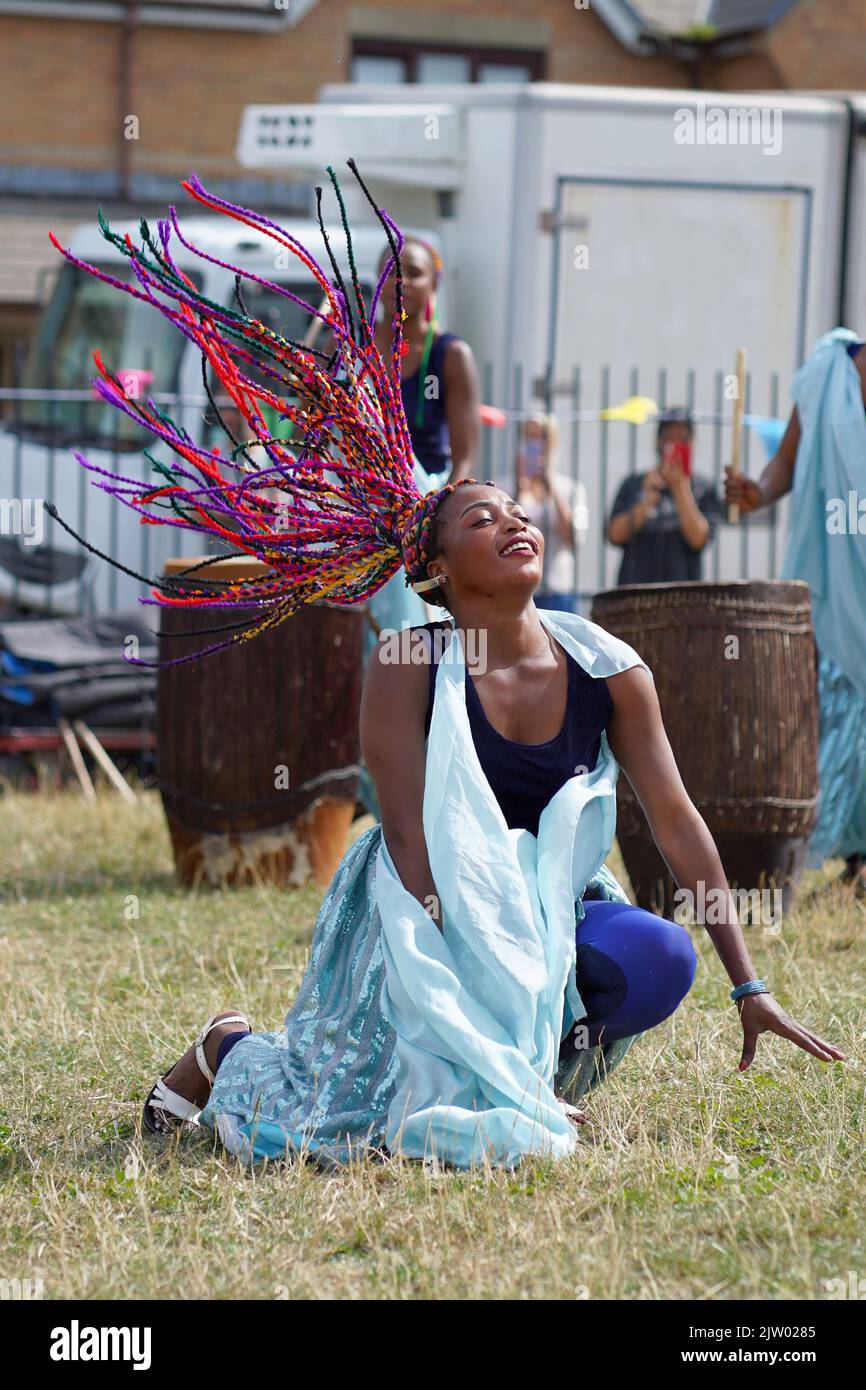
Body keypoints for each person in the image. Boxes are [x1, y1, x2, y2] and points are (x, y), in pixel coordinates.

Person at [50, 169, 844, 1171]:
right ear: (435, 570)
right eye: (480, 519)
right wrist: (452, 959)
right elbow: (409, 834)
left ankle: (524, 1083)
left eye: (515, 510)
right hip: (418, 906)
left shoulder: (609, 668)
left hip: (542, 906)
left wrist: (748, 982)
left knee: (654, 955)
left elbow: (679, 824)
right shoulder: (407, 660)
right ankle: (230, 1050)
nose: (513, 522)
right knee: (340, 1123)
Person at [725, 328, 866, 895]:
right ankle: (855, 855)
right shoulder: (829, 368)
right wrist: (757, 492)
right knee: (838, 711)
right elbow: (787, 458)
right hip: (834, 576)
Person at [372, 236, 481, 487]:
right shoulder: (347, 344)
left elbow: (464, 460)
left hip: (423, 496)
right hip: (350, 498)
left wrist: (438, 505)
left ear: (434, 284)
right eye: (391, 272)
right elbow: (309, 428)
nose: (401, 281)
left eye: (414, 273)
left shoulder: (452, 355)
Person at [607, 407, 723, 585]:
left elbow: (700, 539)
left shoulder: (702, 488)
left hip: (683, 594)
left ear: (693, 444)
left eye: (683, 439)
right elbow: (614, 535)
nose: (676, 444)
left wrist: (680, 489)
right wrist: (645, 501)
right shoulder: (635, 483)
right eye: (670, 438)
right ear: (659, 442)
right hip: (636, 592)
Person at [515, 413, 587, 614]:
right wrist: (520, 488)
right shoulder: (506, 486)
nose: (535, 444)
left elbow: (573, 539)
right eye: (529, 437)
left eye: (542, 437)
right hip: (517, 589)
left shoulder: (571, 488)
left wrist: (551, 486)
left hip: (557, 589)